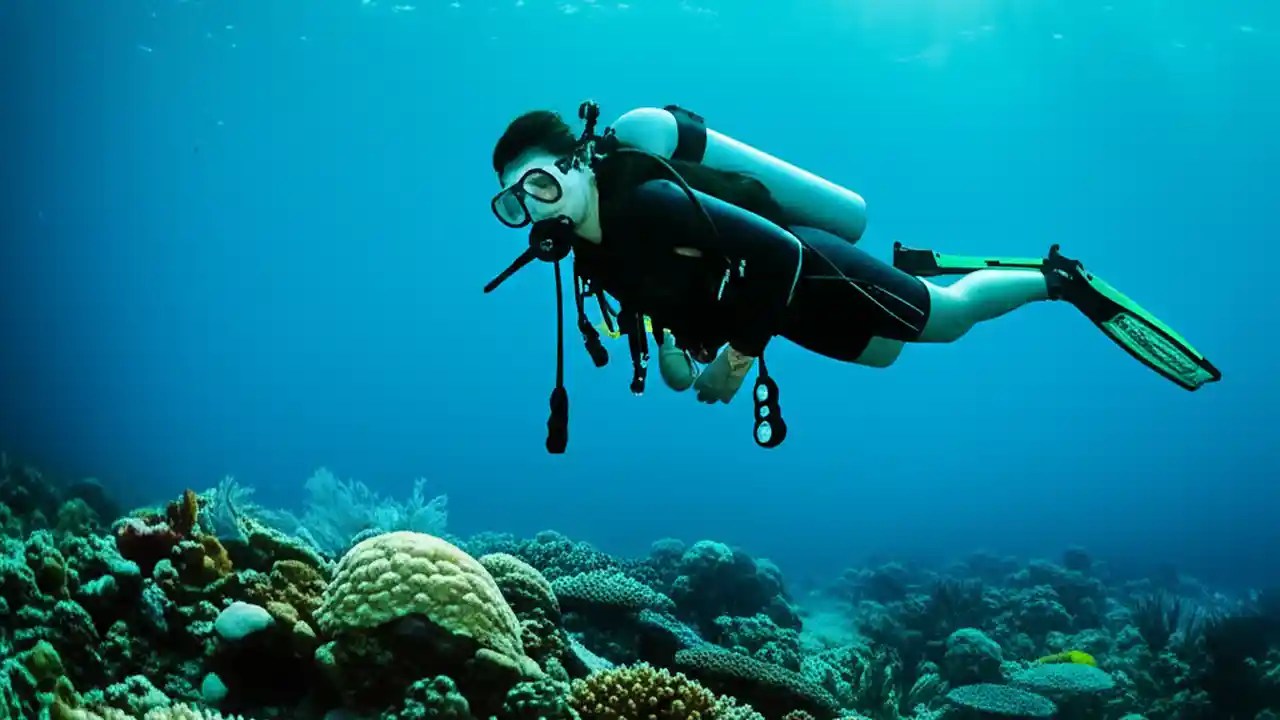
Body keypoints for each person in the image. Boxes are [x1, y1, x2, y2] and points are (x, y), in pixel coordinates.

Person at [484, 102, 1221, 452]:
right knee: (882, 354)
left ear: (579, 163)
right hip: (771, 307)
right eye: (516, 204)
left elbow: (777, 254)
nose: (536, 210)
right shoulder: (583, 248)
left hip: (807, 266)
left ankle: (1057, 278)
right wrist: (676, 348)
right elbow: (650, 294)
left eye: (543, 185)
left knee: (945, 323)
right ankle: (911, 270)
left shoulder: (644, 198)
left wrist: (736, 363)